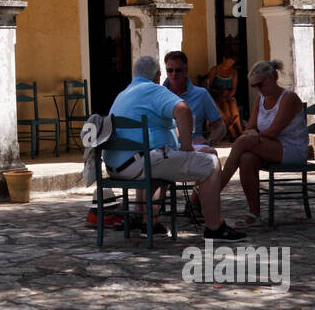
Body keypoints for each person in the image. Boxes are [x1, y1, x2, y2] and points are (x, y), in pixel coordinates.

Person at [104, 55, 245, 239]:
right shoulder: (154, 90)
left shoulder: (124, 94)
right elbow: (183, 110)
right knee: (211, 164)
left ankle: (150, 223)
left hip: (116, 168)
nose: (173, 74)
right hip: (140, 162)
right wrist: (187, 147)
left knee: (160, 163)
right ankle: (214, 227)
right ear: (158, 75)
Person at [219, 59, 309, 227]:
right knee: (246, 158)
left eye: (260, 84)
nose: (258, 89)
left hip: (292, 149)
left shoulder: (288, 97)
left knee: (243, 143)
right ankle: (254, 213)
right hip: (270, 146)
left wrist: (251, 137)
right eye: (254, 86)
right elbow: (250, 127)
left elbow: (274, 132)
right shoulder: (260, 100)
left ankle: (213, 192)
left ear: (273, 77)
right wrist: (251, 134)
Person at [163, 50, 227, 147]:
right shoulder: (159, 95)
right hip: (166, 152)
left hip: (193, 151)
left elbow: (220, 126)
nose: (174, 74)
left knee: (212, 158)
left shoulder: (201, 95)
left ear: (185, 71)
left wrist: (209, 142)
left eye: (178, 70)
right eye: (170, 70)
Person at [208, 43, 244, 139]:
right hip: (216, 97)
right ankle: (232, 130)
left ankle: (238, 130)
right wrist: (219, 92)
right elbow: (208, 88)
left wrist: (227, 95)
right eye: (228, 62)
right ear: (224, 59)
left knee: (232, 103)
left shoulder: (233, 72)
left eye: (232, 63)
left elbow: (233, 89)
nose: (230, 65)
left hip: (227, 96)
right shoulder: (215, 70)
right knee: (225, 106)